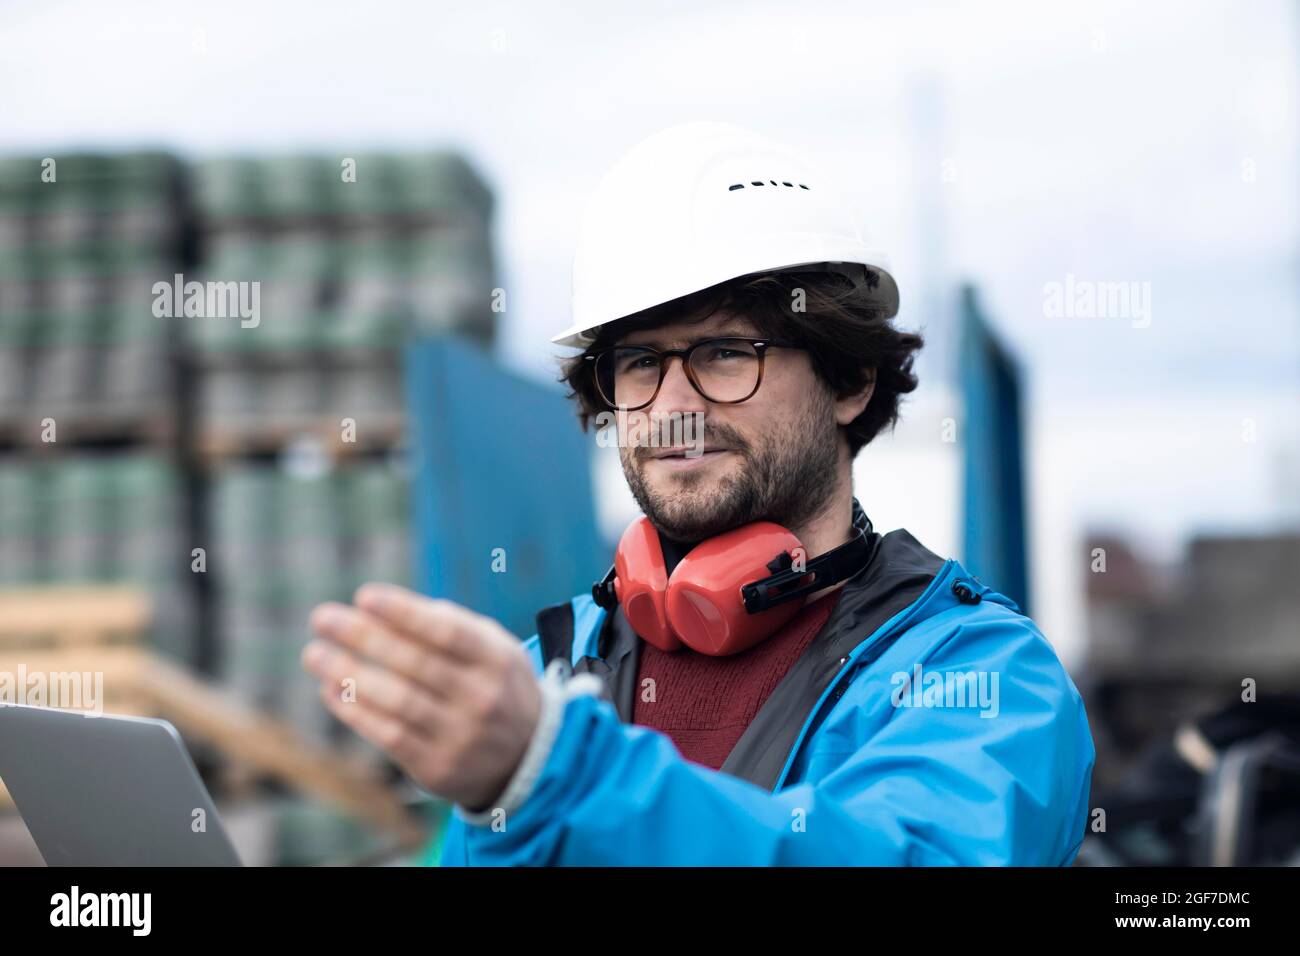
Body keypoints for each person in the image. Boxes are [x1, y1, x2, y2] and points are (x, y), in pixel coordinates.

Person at [301, 122, 1095, 865]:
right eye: (640, 363)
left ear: (850, 379)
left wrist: (556, 776)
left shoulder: (981, 673)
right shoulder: (545, 669)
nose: (674, 407)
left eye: (723, 353)